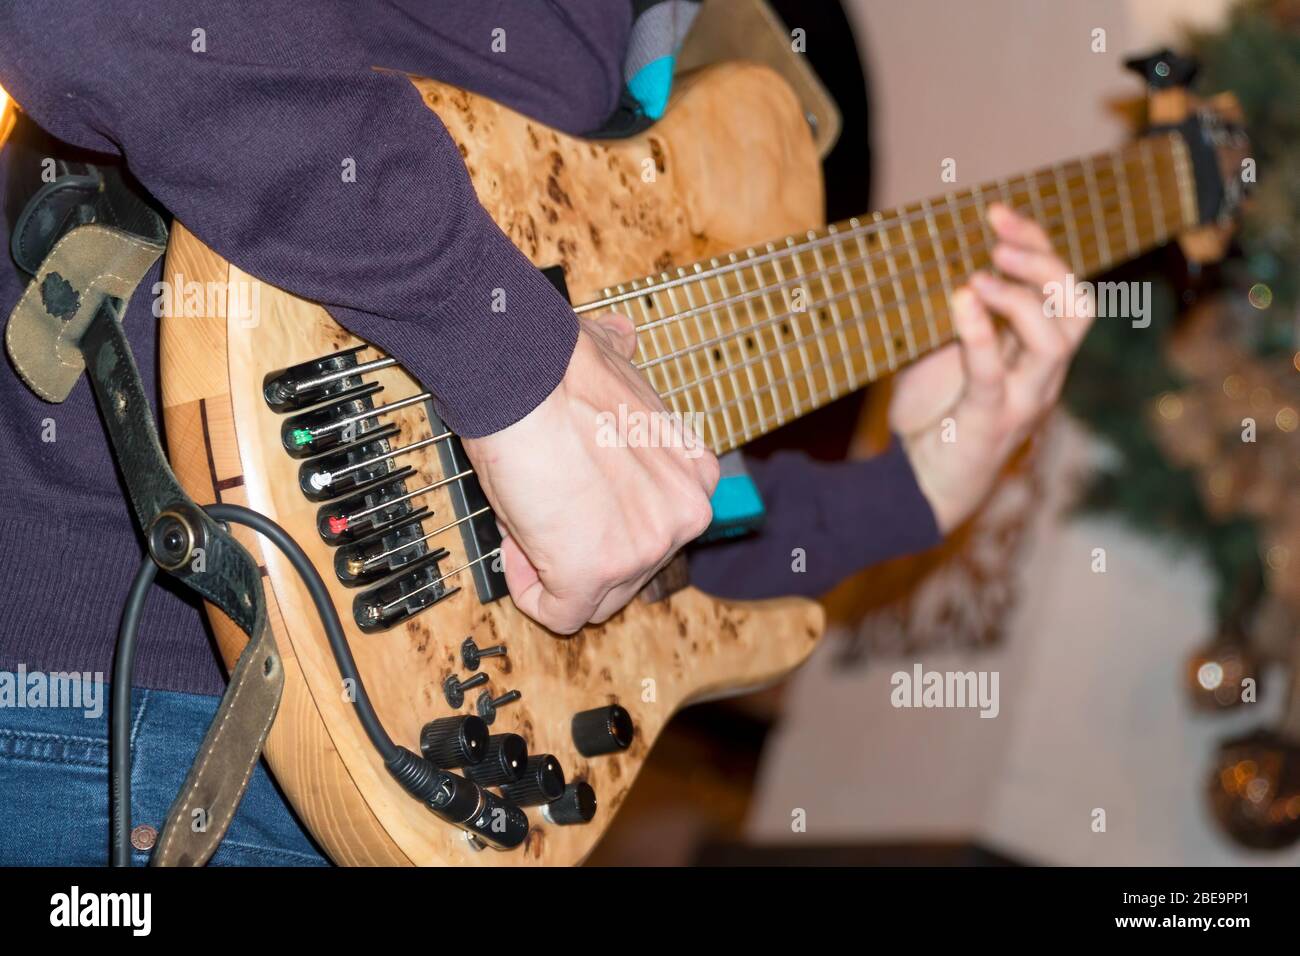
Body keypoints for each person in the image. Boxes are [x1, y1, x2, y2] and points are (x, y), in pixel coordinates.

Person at [0, 2, 1087, 865]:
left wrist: (915, 488)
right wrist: (509, 352)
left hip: (413, 772)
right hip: (105, 717)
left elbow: (596, 514)